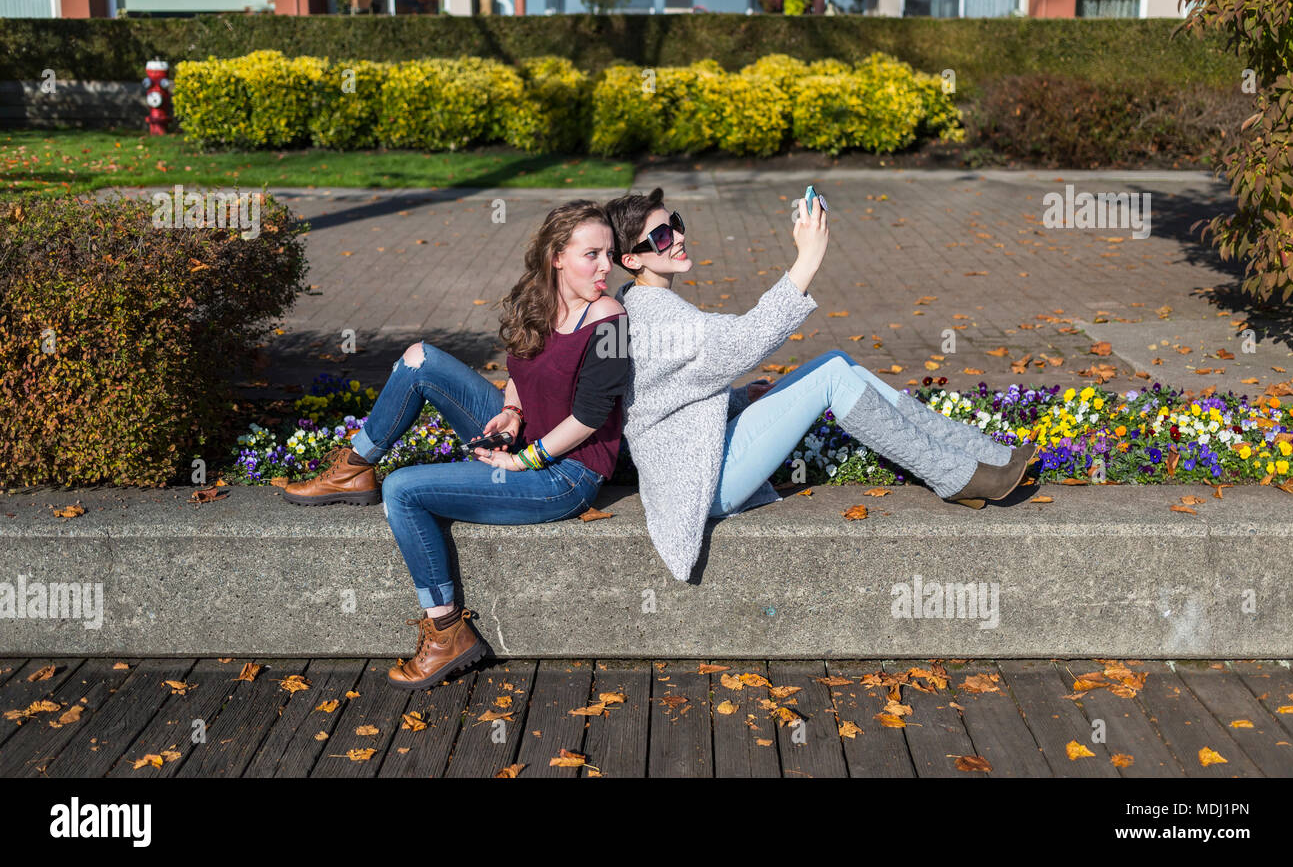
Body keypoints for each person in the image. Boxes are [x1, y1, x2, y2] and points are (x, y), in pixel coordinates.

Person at [603, 187, 1035, 581]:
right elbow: (743, 342)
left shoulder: (639, 300)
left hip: (700, 462)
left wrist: (738, 398)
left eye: (675, 224)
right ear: (632, 260)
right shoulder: (656, 312)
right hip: (700, 485)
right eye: (660, 237)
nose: (676, 238)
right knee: (830, 377)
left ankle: (983, 456)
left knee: (835, 360)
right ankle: (957, 477)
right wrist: (808, 257)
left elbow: (664, 396)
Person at [282, 201, 629, 688]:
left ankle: (448, 633)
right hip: (523, 438)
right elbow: (521, 373)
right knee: (419, 357)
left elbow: (591, 417)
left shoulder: (610, 321)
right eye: (591, 254)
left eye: (608, 254)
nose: (605, 266)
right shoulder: (540, 301)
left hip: (564, 476)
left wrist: (523, 459)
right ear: (556, 256)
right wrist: (512, 414)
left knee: (402, 490)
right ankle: (354, 465)